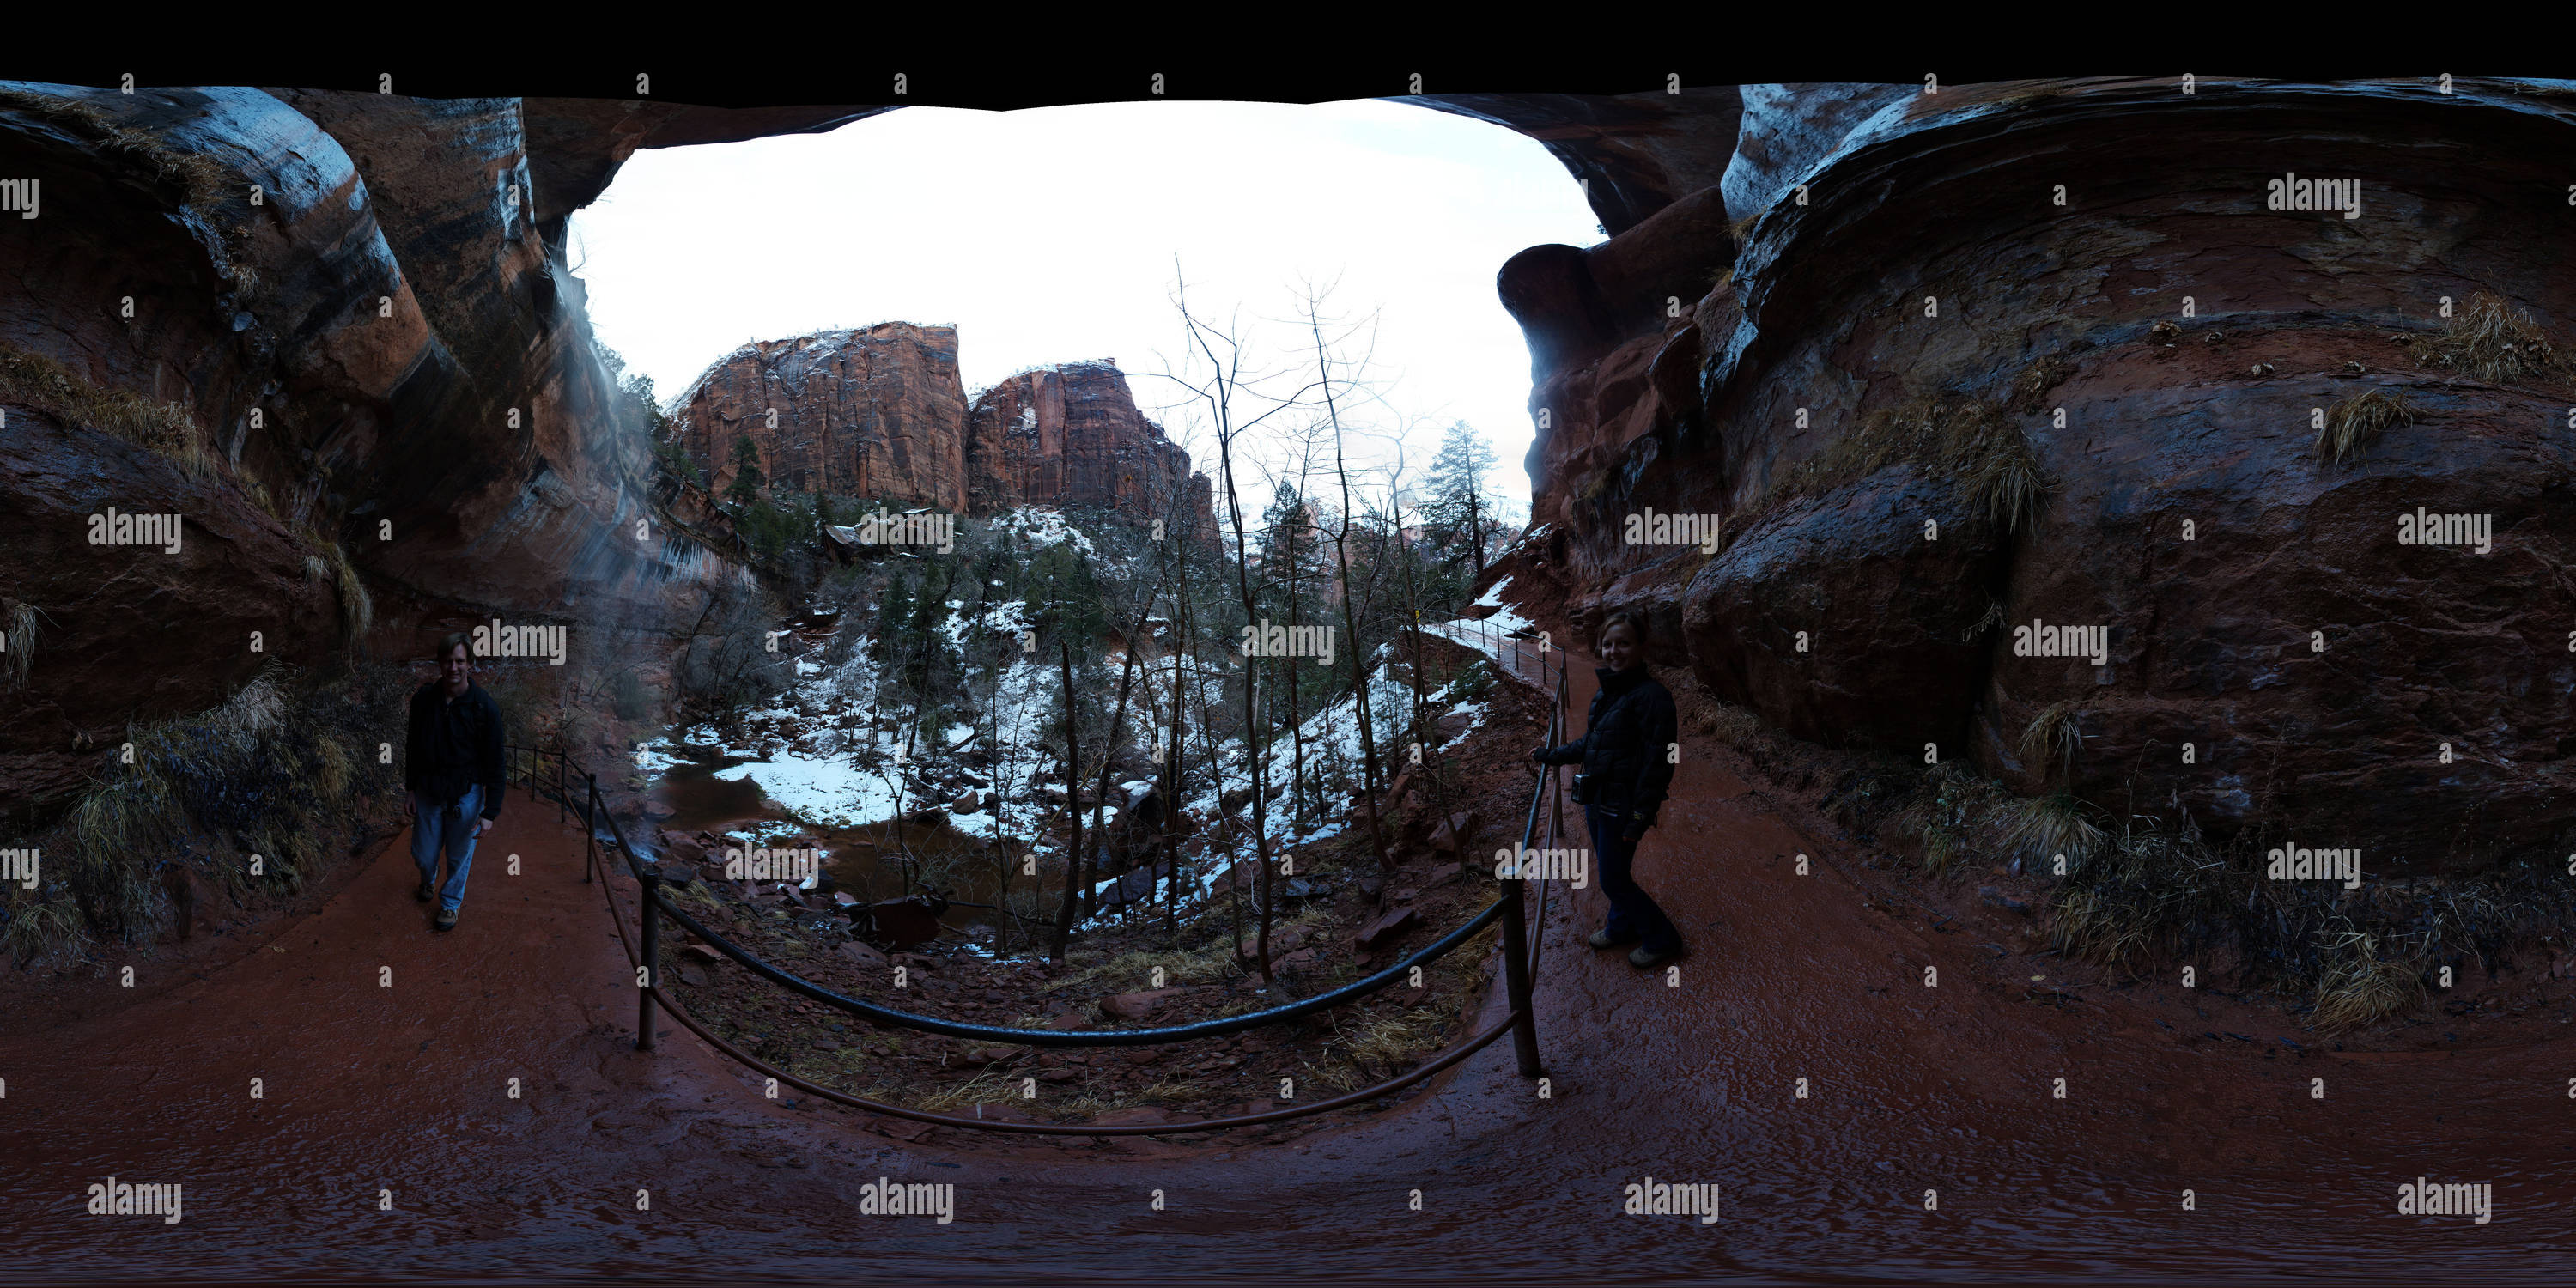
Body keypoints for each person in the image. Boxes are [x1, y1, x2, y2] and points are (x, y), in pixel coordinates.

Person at [1532, 610, 1683, 967]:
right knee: (1613, 870)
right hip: (1597, 800)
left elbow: (1659, 764)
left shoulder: (1653, 698)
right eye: (1608, 644)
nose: (1614, 651)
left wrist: (1640, 816)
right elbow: (1590, 745)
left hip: (1623, 805)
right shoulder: (1608, 693)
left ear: (1641, 646)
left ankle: (1663, 939)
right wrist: (1550, 755)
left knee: (1613, 880)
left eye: (1624, 643)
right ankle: (1620, 927)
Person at [404, 631, 505, 932]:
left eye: (460, 661)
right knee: (423, 854)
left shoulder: (484, 708)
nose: (454, 667)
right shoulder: (424, 701)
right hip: (428, 790)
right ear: (439, 663)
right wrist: (410, 788)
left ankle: (450, 905)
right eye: (448, 661)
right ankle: (428, 877)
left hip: (466, 795)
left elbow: (496, 761)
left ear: (470, 664)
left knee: (460, 857)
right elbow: (412, 746)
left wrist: (491, 812)